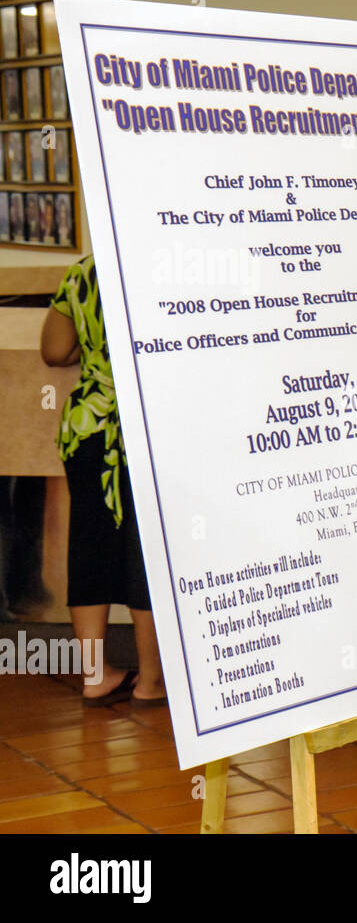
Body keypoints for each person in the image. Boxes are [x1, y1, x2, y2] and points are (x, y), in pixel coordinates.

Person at [39, 255, 167, 707]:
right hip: (152, 423)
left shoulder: (85, 271)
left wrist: (90, 353)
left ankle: (96, 675)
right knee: (147, 549)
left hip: (88, 426)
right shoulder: (169, 259)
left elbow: (54, 351)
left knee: (89, 546)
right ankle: (151, 680)